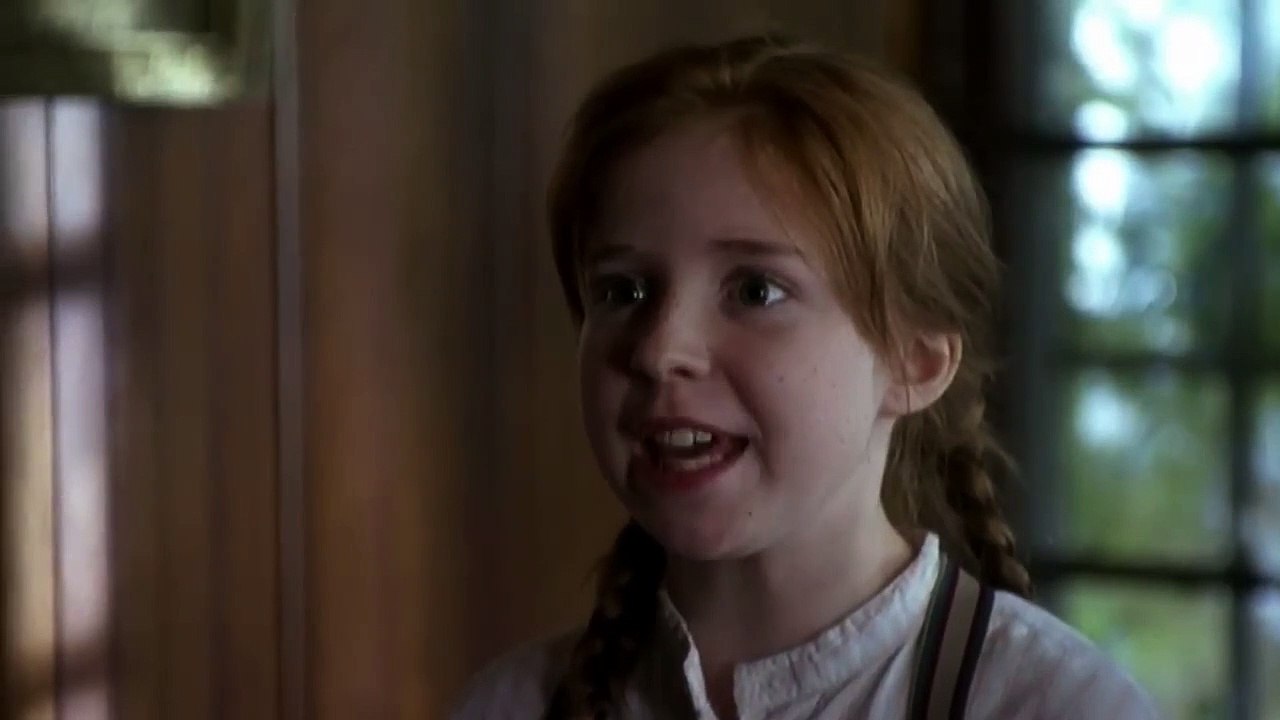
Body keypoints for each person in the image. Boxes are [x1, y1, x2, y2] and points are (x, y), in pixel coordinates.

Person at [453, 35, 1161, 720]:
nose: (660, 349)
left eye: (755, 291)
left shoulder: (1058, 707)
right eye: (623, 291)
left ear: (915, 361)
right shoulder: (510, 706)